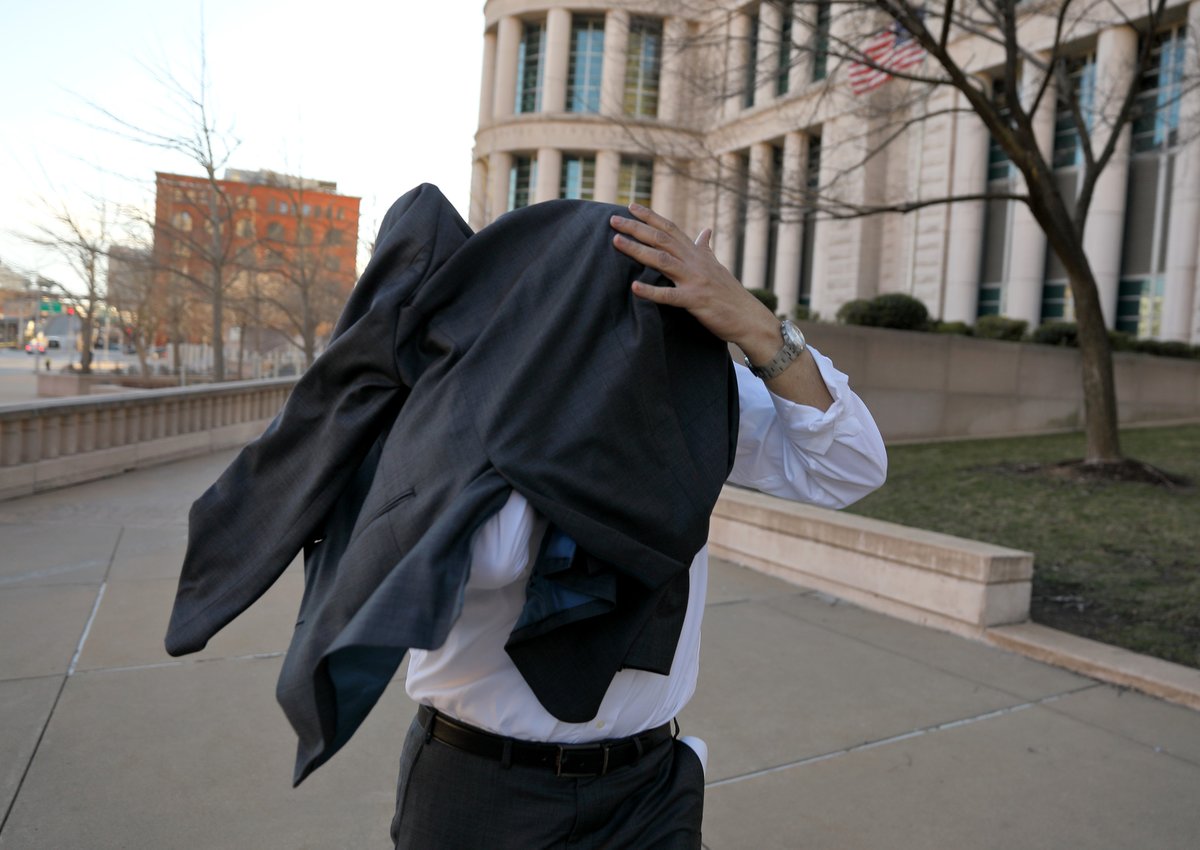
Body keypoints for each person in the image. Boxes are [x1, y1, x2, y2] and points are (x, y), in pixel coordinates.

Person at [388, 203, 887, 848]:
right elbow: (485, 564)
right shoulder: (452, 395)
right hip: (482, 786)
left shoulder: (684, 394)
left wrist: (757, 327)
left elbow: (850, 467)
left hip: (645, 789)